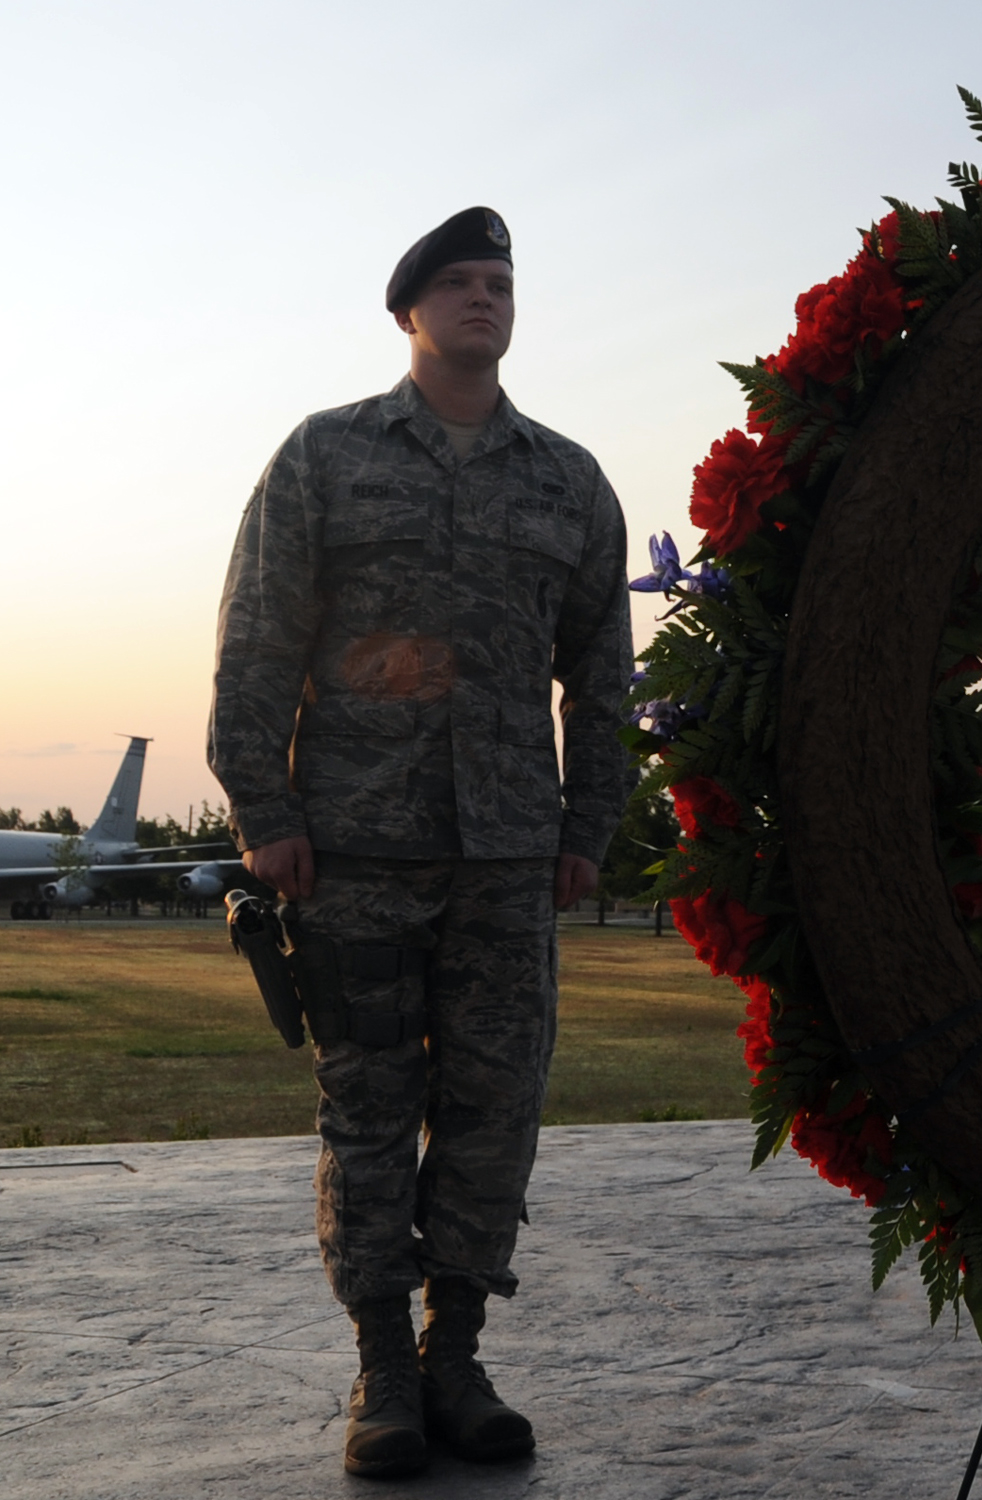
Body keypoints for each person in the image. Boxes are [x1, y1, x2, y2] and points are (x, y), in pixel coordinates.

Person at [208, 207, 636, 1478]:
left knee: (497, 1109)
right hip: (355, 850)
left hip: (507, 856)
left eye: (498, 281)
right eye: (456, 282)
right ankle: (385, 1368)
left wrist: (589, 825)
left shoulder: (569, 481)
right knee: (370, 1111)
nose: (482, 298)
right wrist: (266, 814)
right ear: (410, 312)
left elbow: (601, 677)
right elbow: (258, 642)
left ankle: (457, 1358)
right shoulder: (324, 456)